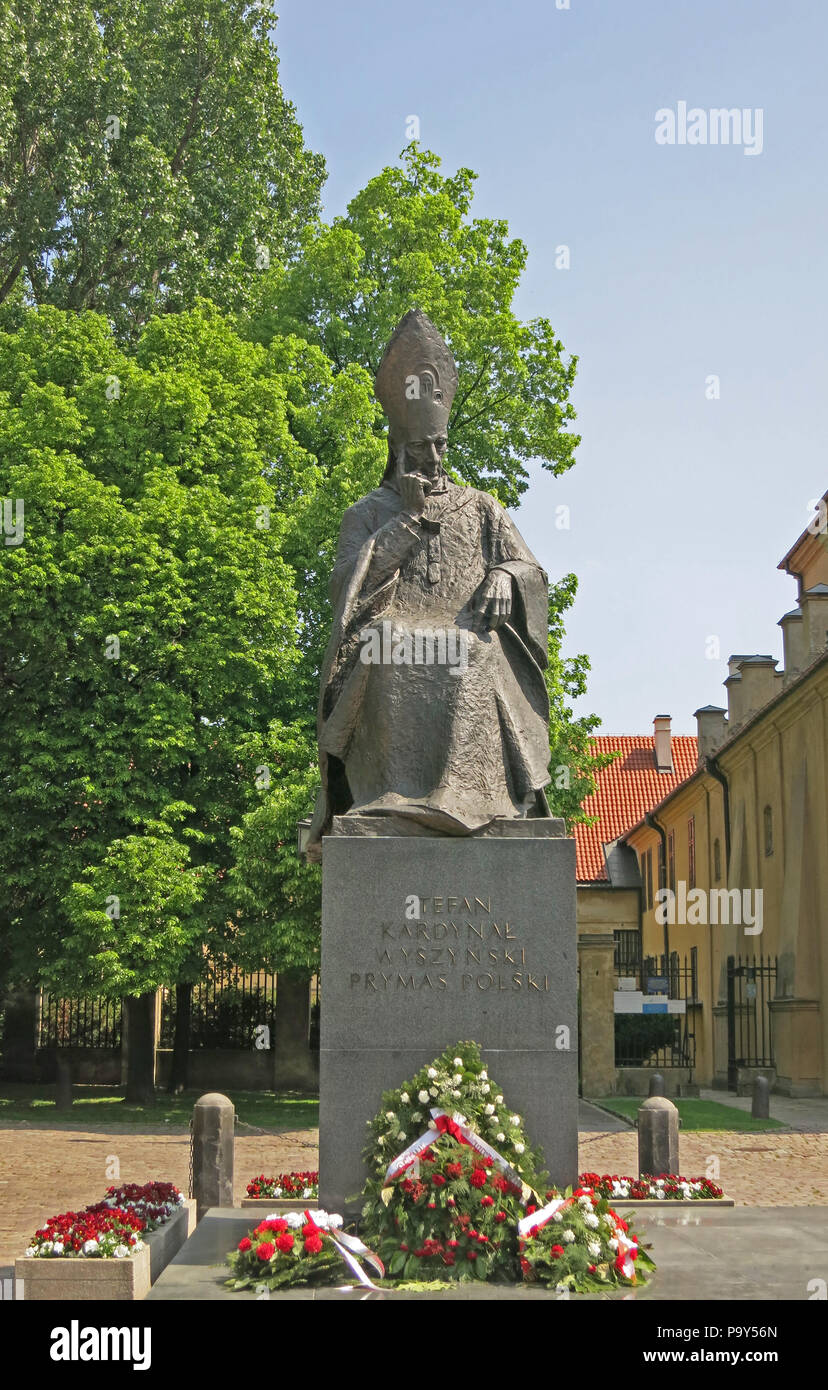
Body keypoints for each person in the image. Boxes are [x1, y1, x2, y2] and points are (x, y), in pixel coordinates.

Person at [306, 310, 552, 859]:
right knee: (387, 642)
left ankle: (468, 798)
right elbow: (346, 594)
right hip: (387, 640)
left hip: (471, 636)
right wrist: (408, 523)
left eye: (440, 444)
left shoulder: (483, 507)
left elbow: (532, 571)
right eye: (421, 449)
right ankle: (391, 797)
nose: (435, 458)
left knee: (470, 648)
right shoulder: (367, 514)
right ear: (397, 446)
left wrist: (505, 576)